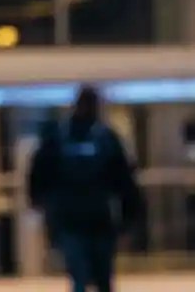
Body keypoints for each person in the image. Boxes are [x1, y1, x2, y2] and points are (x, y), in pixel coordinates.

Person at [27, 86, 142, 292]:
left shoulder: (64, 137)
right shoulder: (102, 138)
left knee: (89, 277)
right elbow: (125, 181)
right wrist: (129, 218)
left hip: (84, 220)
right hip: (86, 220)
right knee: (93, 277)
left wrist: (40, 204)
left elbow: (124, 181)